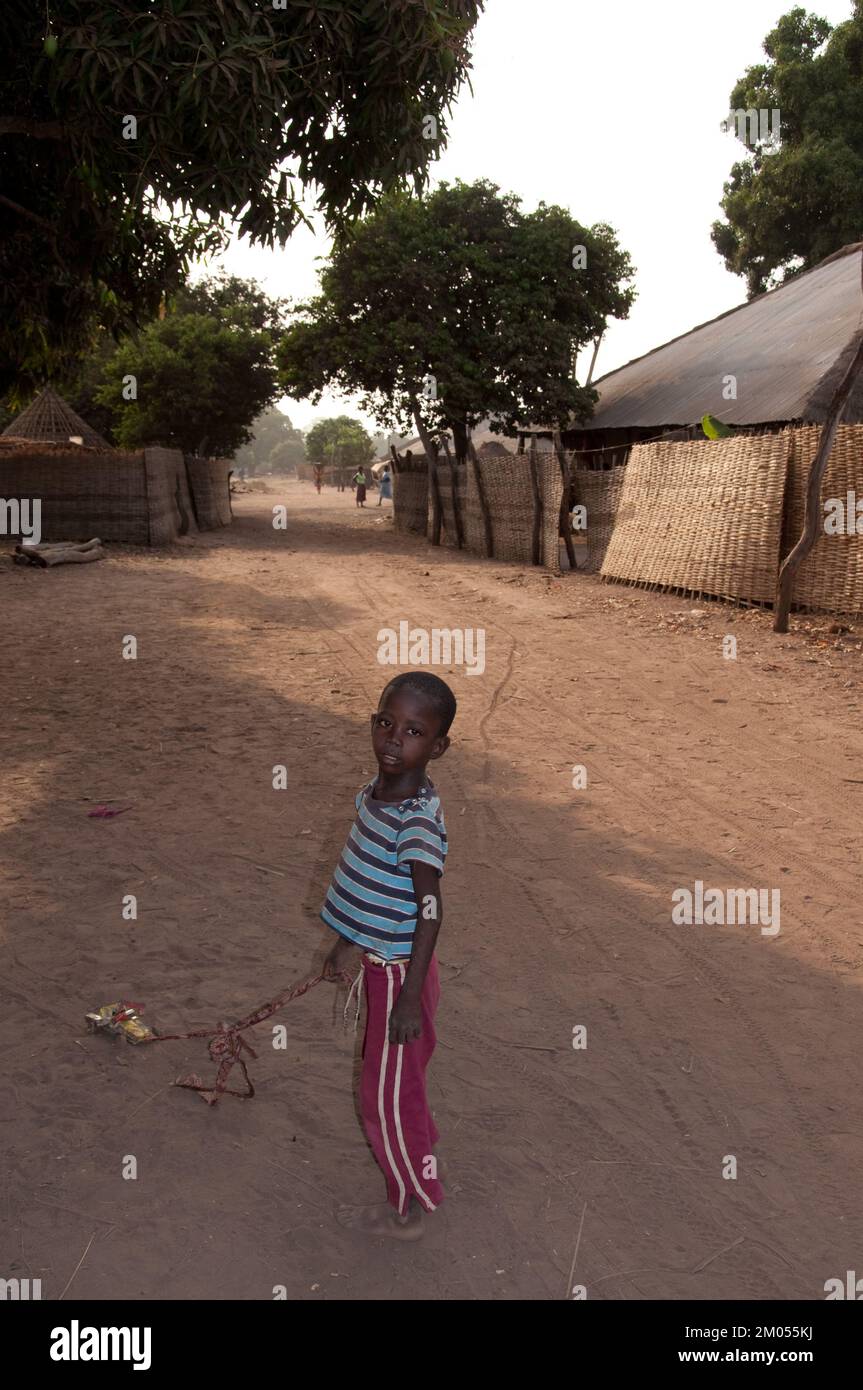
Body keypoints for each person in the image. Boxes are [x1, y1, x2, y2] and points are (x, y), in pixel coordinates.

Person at [322, 672, 456, 1239]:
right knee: (400, 1083)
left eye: (414, 731)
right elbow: (372, 883)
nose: (394, 740)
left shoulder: (416, 824)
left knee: (383, 1096)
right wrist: (345, 941)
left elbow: (430, 911)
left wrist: (406, 1000)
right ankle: (419, 1150)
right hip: (387, 967)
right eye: (385, 723)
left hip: (402, 974)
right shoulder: (375, 797)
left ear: (438, 747)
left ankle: (411, 1201)